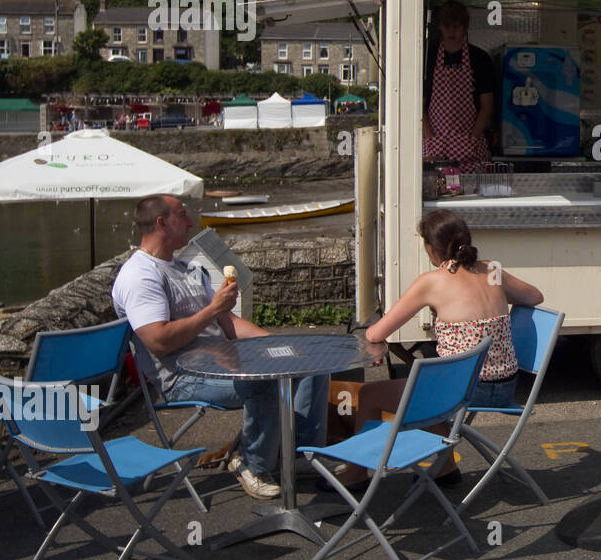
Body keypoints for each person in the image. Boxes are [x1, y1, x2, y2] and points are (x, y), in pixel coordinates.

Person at [111, 194, 330, 500]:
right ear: (161, 222)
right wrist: (211, 311)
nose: (190, 222)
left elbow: (227, 323)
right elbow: (158, 341)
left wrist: (279, 344)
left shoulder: (186, 269)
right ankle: (251, 464)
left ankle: (296, 456)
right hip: (182, 376)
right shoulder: (141, 276)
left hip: (223, 360)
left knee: (311, 363)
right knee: (266, 382)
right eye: (183, 215)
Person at [329, 209, 543, 486]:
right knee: (429, 386)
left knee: (373, 394)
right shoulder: (493, 270)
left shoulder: (432, 282)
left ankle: (356, 475)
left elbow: (376, 333)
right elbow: (535, 296)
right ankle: (444, 468)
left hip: (461, 393)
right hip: (504, 388)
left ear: (431, 249)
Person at [423, 0, 496, 170]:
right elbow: (420, 105)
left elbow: (487, 106)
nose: (451, 31)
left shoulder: (480, 59)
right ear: (440, 26)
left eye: (456, 26)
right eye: (447, 26)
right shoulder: (428, 58)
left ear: (465, 27)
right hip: (434, 142)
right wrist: (431, 139)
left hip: (471, 142)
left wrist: (472, 139)